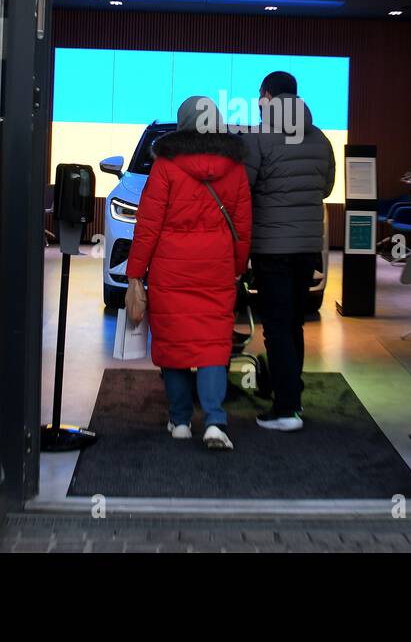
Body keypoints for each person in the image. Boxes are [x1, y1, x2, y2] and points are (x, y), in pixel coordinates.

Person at [125, 95, 251, 451]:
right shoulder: (235, 167)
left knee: (173, 343)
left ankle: (180, 421)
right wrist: (238, 267)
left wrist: (136, 273)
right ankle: (214, 422)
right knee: (214, 344)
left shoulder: (166, 166)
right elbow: (242, 226)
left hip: (171, 271)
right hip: (216, 268)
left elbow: (148, 224)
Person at [240, 71, 335, 432]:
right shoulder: (320, 139)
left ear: (266, 95)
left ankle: (285, 409)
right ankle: (292, 395)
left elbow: (245, 188)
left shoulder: (259, 139)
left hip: (271, 247)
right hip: (307, 246)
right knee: (294, 324)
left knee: (277, 327)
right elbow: (325, 188)